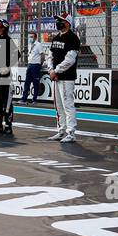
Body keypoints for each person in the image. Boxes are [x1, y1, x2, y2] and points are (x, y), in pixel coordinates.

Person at [45, 15, 80, 143]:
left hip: (67, 77)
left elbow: (70, 59)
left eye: (61, 21)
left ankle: (71, 133)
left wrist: (56, 70)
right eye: (58, 20)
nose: (58, 22)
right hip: (55, 76)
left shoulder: (73, 38)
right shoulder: (56, 37)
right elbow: (50, 55)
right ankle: (61, 130)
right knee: (58, 106)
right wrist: (50, 70)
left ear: (68, 23)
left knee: (68, 105)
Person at [21, 32, 46, 103]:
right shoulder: (30, 45)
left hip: (36, 65)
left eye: (31, 37)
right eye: (30, 37)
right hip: (30, 65)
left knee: (35, 83)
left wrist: (40, 64)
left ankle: (34, 99)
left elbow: (42, 55)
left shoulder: (38, 45)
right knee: (27, 82)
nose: (30, 38)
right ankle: (24, 99)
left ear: (35, 37)